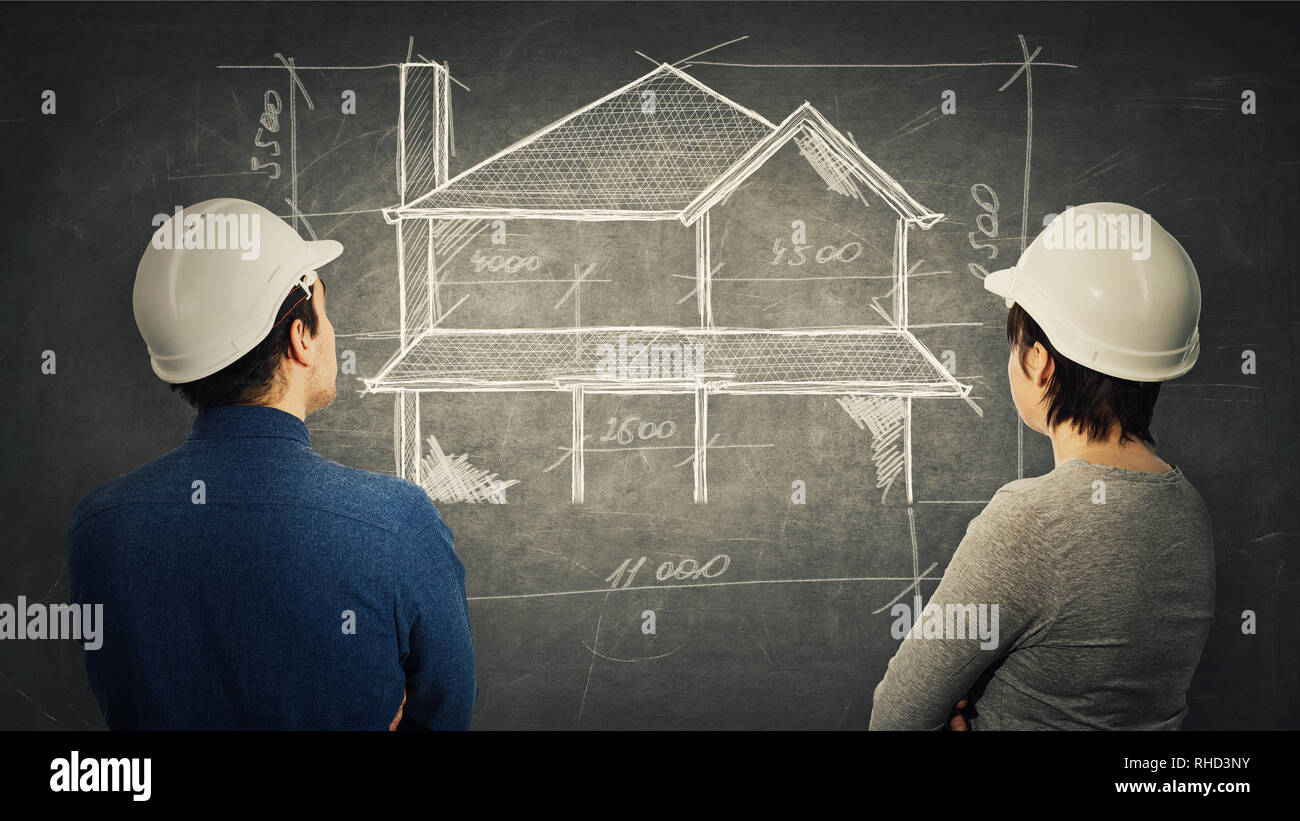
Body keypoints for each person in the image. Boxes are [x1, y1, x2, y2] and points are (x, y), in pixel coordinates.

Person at [68, 198, 476, 730]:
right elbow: (445, 712)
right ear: (300, 336)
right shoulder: (396, 523)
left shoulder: (101, 526)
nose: (330, 333)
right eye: (323, 316)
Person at [869, 203, 1214, 730]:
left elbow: (897, 716)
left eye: (1016, 345)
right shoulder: (1187, 509)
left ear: (1039, 361)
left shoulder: (1030, 523)